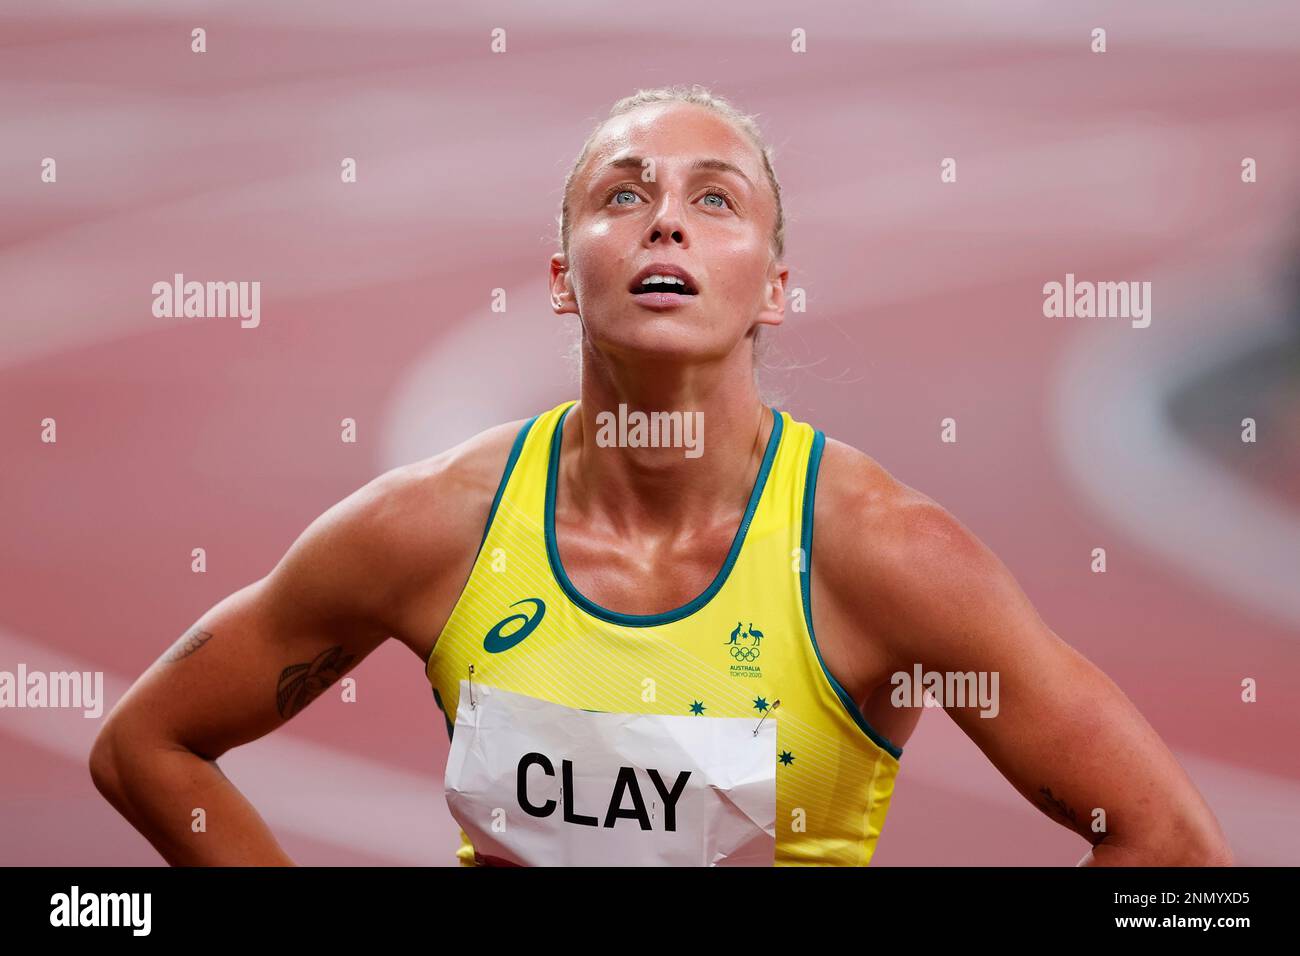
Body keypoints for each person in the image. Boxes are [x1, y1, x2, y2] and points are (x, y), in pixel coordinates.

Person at [89, 85, 1233, 867]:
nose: (666, 226)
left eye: (715, 199)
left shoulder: (880, 555)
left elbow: (1171, 845)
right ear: (560, 274)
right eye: (624, 196)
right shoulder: (429, 529)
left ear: (774, 287)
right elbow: (148, 744)